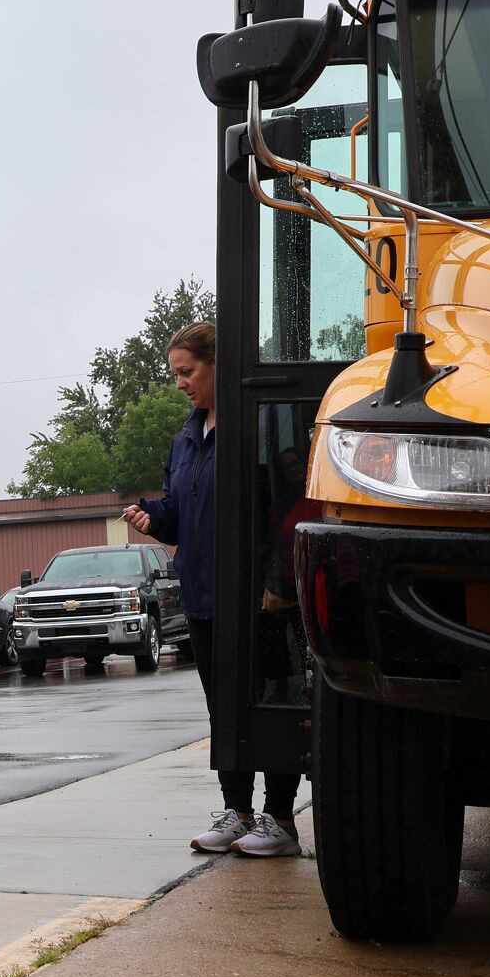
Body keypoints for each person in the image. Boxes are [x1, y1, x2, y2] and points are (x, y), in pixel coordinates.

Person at [124, 321, 302, 859]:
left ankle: (279, 818)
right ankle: (237, 810)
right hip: (203, 594)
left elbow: (292, 509)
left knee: (270, 699)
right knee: (222, 707)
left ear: (221, 363)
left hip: (259, 597)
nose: (180, 383)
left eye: (188, 371)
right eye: (176, 373)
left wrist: (280, 580)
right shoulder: (187, 435)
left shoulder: (265, 426)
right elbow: (181, 516)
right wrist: (153, 518)